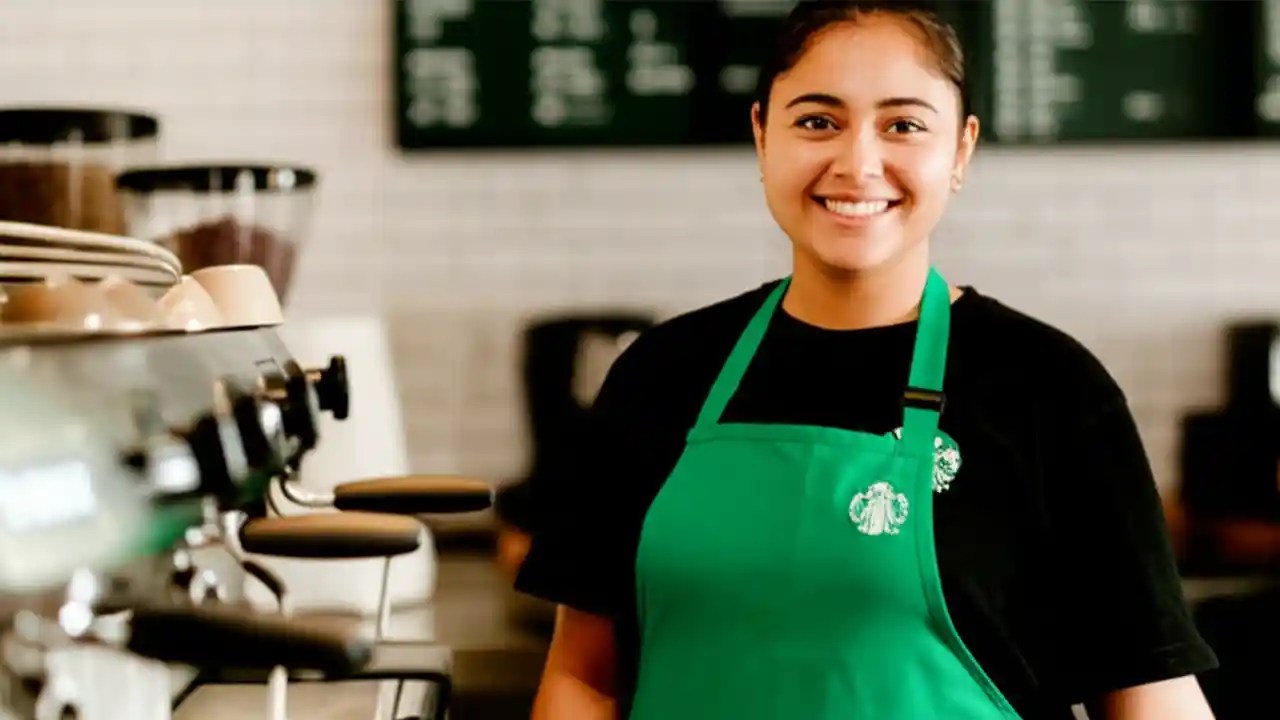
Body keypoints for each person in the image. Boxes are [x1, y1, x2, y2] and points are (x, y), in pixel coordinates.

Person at [514, 1, 1220, 718]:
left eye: (904, 125)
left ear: (961, 151)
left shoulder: (1050, 388)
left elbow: (1149, 696)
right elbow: (583, 678)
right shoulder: (660, 373)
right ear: (762, 135)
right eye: (817, 121)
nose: (857, 163)